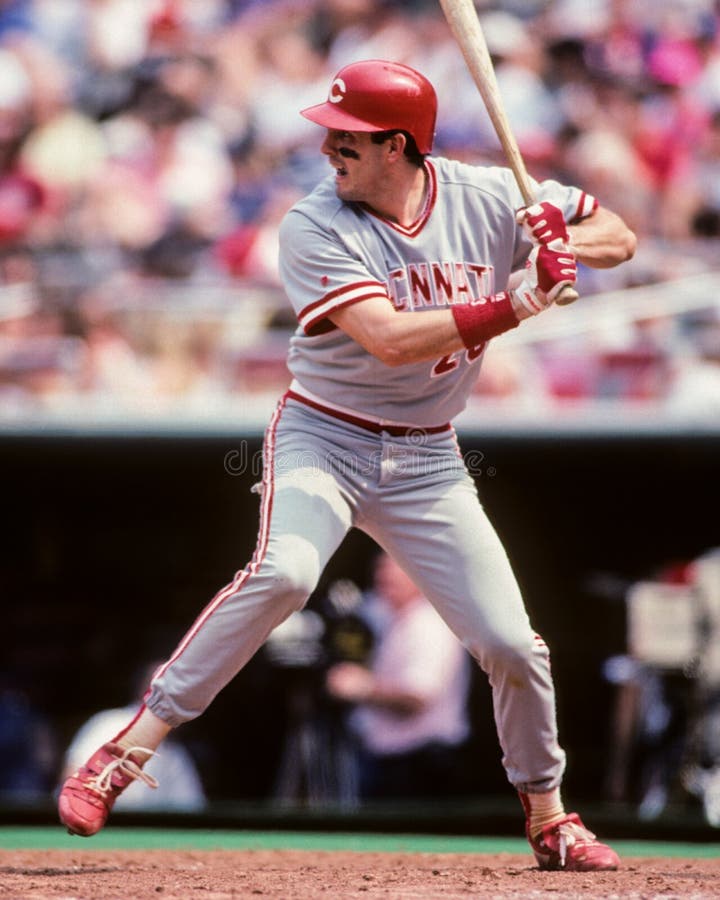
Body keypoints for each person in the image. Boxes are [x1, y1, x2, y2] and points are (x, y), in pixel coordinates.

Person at [58, 60, 637, 871]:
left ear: (398, 146)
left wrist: (561, 241)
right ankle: (129, 747)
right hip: (324, 436)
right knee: (287, 573)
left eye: (348, 139)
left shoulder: (484, 192)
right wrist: (522, 297)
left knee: (513, 644)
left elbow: (621, 236)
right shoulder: (312, 223)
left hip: (428, 455)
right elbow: (392, 336)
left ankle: (550, 817)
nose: (329, 148)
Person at [326, 552, 472, 800]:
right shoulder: (384, 615)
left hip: (421, 764)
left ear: (420, 575)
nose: (384, 577)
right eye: (380, 570)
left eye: (396, 571)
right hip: (384, 759)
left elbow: (415, 698)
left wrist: (361, 688)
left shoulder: (430, 625)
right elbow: (347, 610)